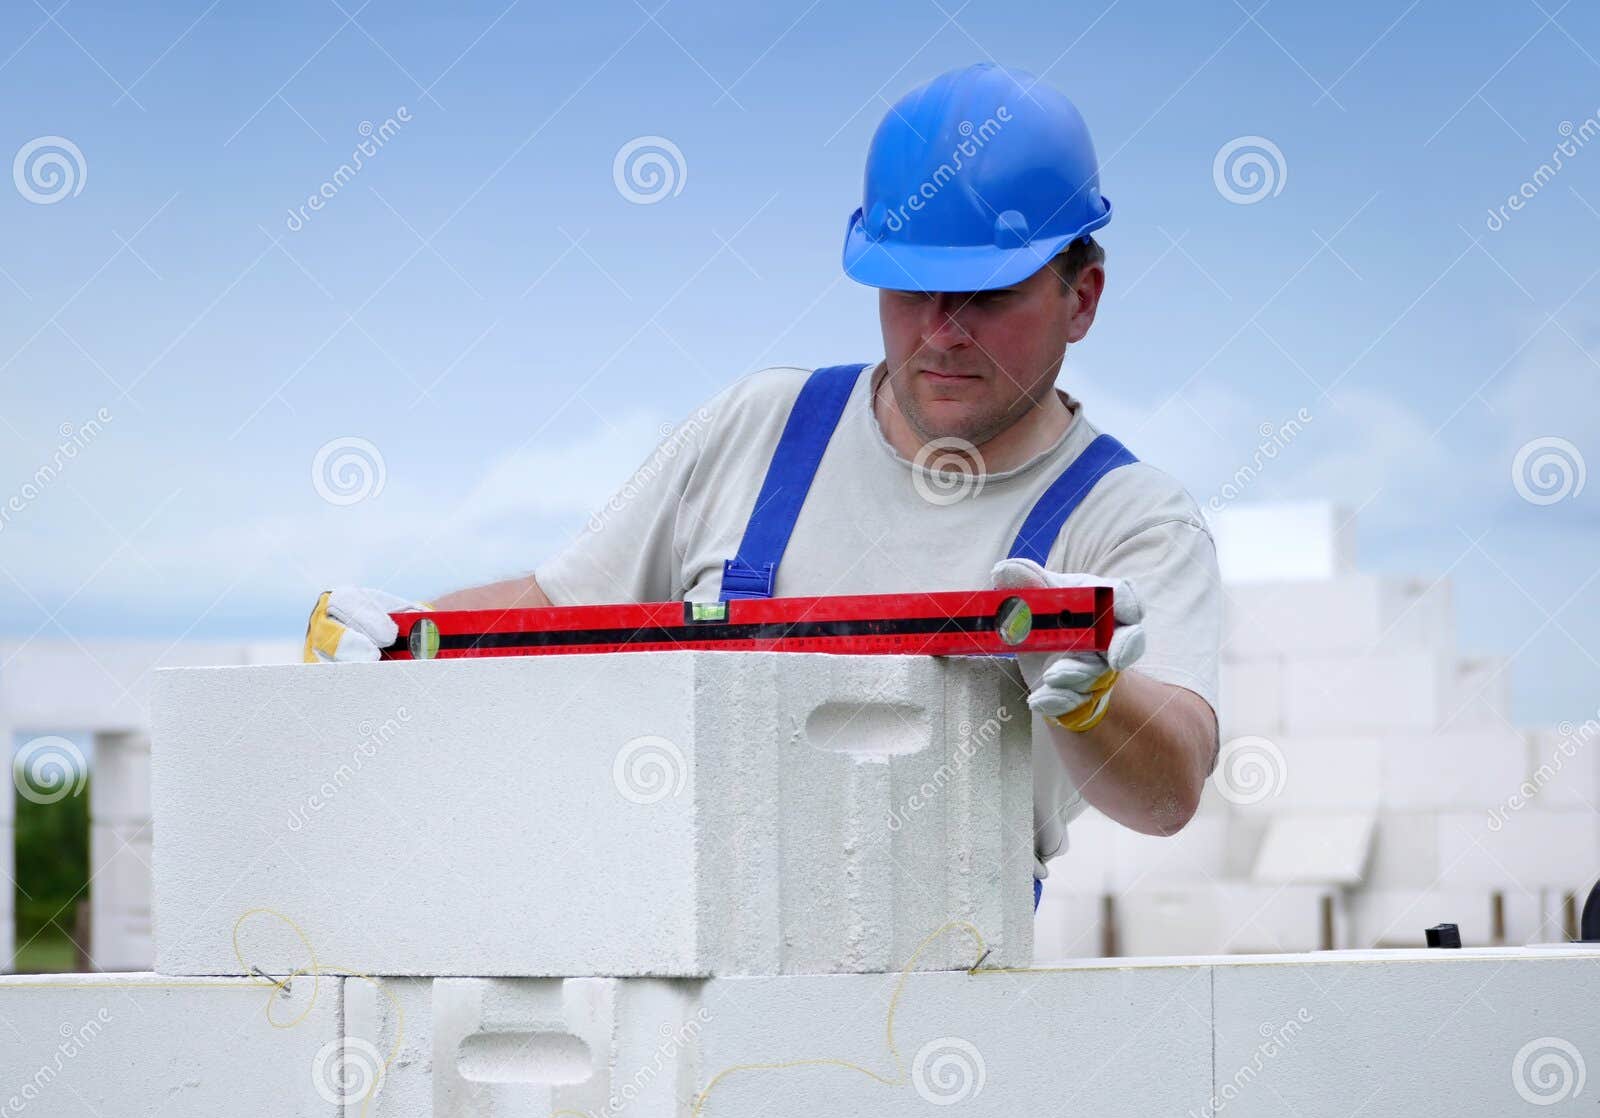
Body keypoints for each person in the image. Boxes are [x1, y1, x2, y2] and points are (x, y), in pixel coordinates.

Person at [303, 63, 1222, 906]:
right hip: (689, 945)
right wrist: (408, 641)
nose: (943, 330)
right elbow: (554, 609)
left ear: (1083, 296)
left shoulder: (1132, 522)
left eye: (988, 294)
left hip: (944, 979)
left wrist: (1098, 697)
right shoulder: (760, 426)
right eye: (909, 287)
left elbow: (1170, 790)